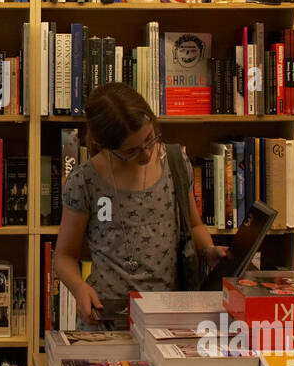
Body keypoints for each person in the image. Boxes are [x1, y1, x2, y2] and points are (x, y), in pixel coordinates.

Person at [53, 82, 226, 328]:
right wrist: (80, 288)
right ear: (107, 146)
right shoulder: (85, 181)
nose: (146, 154)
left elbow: (195, 226)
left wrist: (208, 251)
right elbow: (64, 256)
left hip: (168, 317)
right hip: (109, 319)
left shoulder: (175, 163)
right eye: (132, 151)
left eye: (150, 139)